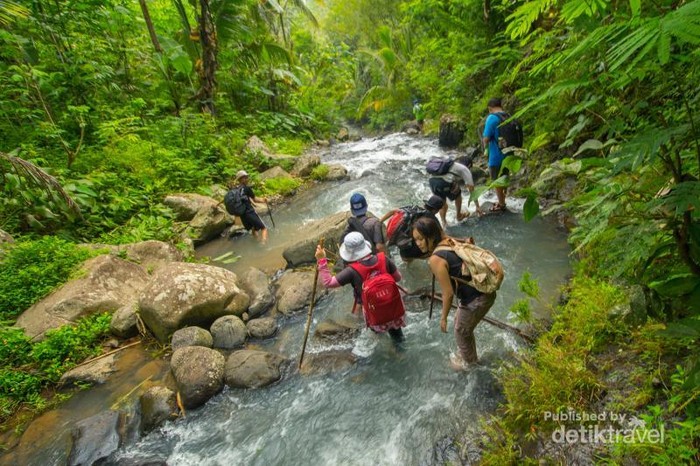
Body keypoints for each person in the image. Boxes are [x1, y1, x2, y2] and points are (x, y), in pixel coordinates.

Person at [411, 216, 496, 370]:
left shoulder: (436, 259)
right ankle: (468, 354)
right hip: (484, 292)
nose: (418, 243)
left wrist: (443, 318)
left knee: (460, 331)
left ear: (430, 237)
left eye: (420, 239)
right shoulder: (449, 241)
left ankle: (471, 366)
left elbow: (448, 293)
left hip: (476, 299)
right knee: (462, 325)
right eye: (415, 239)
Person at [315, 232, 406, 343]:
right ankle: (399, 350)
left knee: (378, 337)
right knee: (398, 337)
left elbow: (328, 282)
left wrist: (321, 260)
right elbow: (398, 278)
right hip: (394, 308)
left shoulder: (351, 271)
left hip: (374, 312)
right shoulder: (384, 258)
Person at [379, 195, 445, 263]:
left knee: (406, 261)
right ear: (435, 210)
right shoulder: (431, 218)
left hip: (402, 246)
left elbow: (392, 211)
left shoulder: (412, 208)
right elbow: (443, 236)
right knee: (432, 249)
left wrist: (380, 222)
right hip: (411, 248)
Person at [428, 156, 483, 225]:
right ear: (469, 165)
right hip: (443, 182)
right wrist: (477, 206)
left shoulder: (451, 164)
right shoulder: (465, 169)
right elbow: (471, 189)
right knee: (458, 193)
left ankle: (444, 222)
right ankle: (458, 216)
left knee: (442, 202)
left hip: (432, 181)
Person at [482, 97, 508, 212]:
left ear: (490, 108)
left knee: (496, 180)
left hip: (496, 155)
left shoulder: (492, 118)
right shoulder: (508, 116)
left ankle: (501, 204)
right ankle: (504, 199)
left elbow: (486, 138)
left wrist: (485, 147)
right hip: (509, 154)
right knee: (505, 177)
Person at [233, 170, 269, 244]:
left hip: (242, 215)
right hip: (249, 212)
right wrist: (264, 200)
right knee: (264, 228)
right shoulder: (246, 188)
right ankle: (263, 244)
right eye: (245, 177)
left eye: (247, 177)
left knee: (253, 229)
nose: (247, 179)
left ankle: (256, 242)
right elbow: (255, 200)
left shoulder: (235, 190)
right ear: (240, 179)